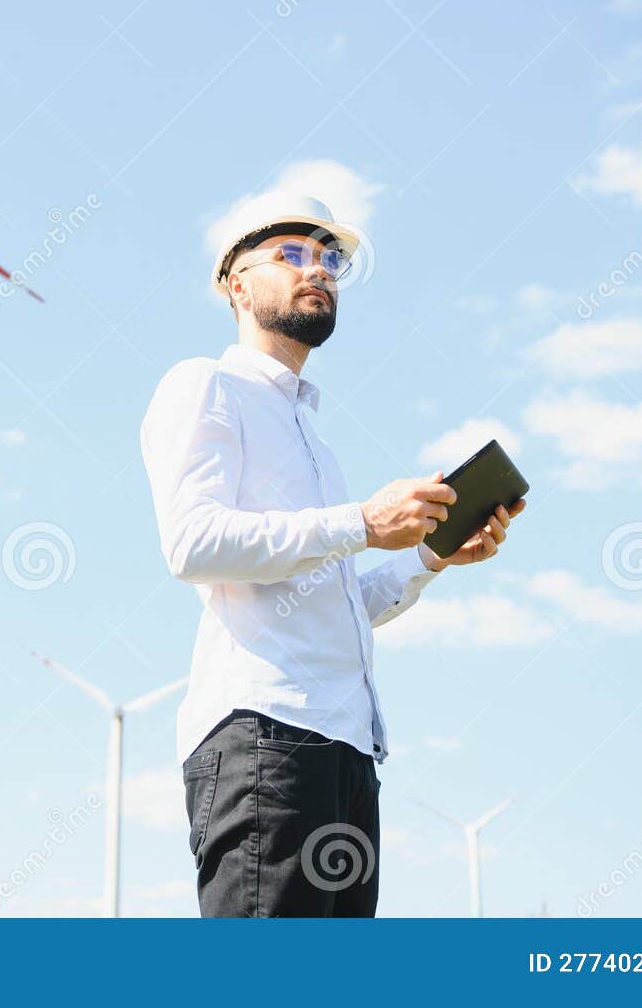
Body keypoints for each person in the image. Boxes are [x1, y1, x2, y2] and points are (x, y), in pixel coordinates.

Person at [139, 191, 525, 917]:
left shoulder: (315, 440)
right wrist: (362, 522)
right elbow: (192, 543)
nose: (316, 269)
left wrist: (431, 556)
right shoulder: (205, 385)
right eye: (291, 254)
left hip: (347, 753)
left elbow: (340, 602)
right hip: (266, 739)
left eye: (329, 259)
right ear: (237, 284)